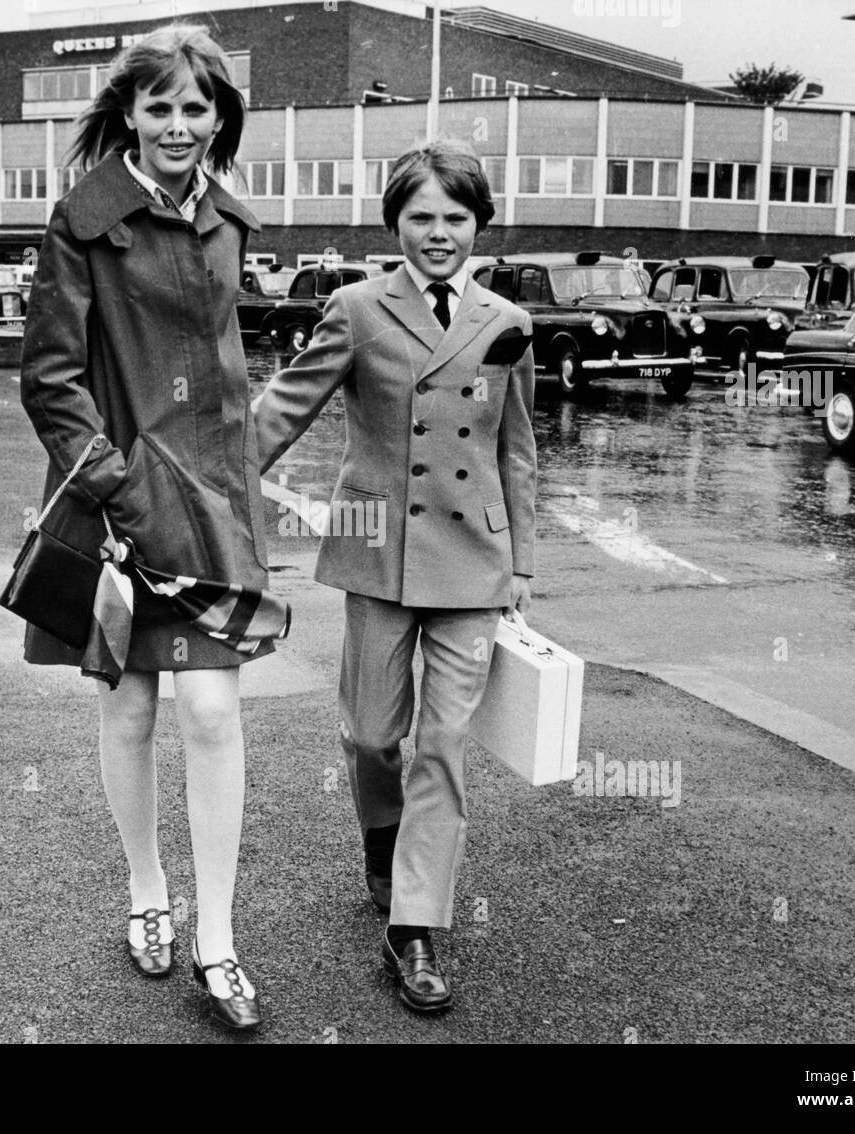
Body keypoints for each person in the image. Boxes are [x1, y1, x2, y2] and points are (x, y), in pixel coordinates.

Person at [18, 23, 277, 1032]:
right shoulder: (81, 220)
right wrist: (120, 492)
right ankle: (144, 891)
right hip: (118, 508)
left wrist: (245, 480)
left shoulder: (228, 222)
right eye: (160, 105)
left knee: (211, 713)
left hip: (213, 509)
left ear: (220, 119)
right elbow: (50, 379)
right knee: (129, 710)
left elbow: (223, 369)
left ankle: (218, 945)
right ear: (130, 112)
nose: (179, 124)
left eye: (196, 108)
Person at [251, 139, 537, 1014]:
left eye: (455, 217)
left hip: (475, 565)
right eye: (421, 217)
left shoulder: (505, 321)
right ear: (396, 225)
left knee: (444, 749)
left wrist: (523, 561)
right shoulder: (356, 308)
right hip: (376, 549)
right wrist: (200, 486)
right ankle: (383, 846)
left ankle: (414, 930)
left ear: (478, 224)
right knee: (372, 735)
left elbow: (518, 452)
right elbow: (281, 410)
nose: (438, 233)